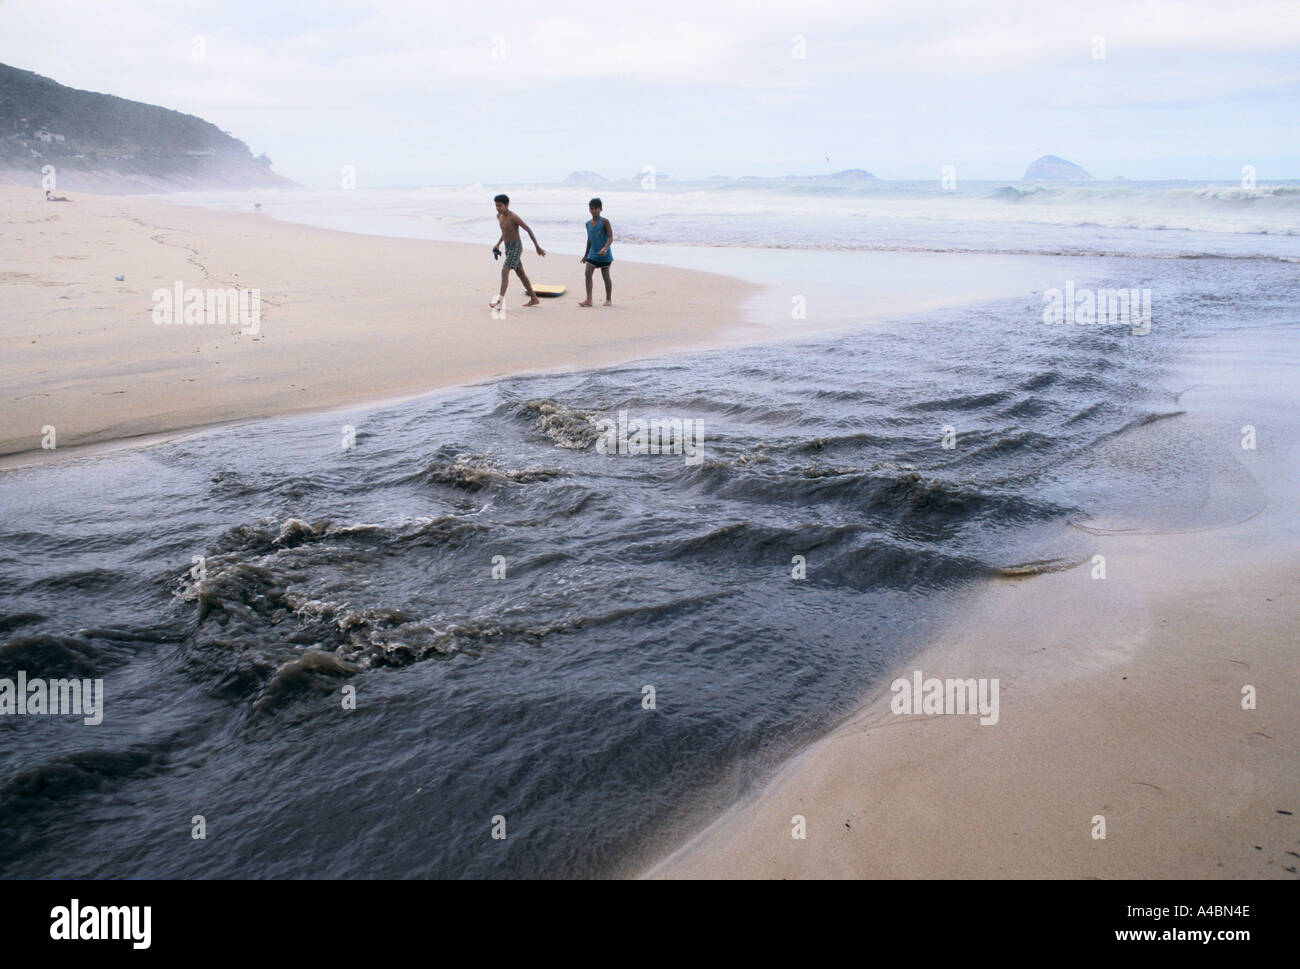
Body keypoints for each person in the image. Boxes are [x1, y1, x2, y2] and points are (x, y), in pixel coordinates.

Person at [490, 194, 545, 308]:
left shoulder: (513, 217)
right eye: (496, 206)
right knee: (521, 274)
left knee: (505, 271)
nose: (498, 208)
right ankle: (534, 298)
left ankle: (499, 303)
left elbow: (528, 229)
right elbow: (504, 232)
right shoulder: (499, 216)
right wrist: (498, 244)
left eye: (500, 205)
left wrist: (537, 247)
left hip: (516, 247)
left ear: (507, 204)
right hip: (508, 247)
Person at [578, 198, 613, 307]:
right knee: (587, 273)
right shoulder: (588, 224)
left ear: (600, 209)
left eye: (596, 208)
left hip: (604, 255)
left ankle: (608, 299)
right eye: (591, 208)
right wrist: (585, 255)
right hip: (593, 253)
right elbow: (589, 240)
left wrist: (605, 248)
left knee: (606, 276)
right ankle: (589, 300)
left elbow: (611, 237)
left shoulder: (605, 221)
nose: (593, 210)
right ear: (589, 210)